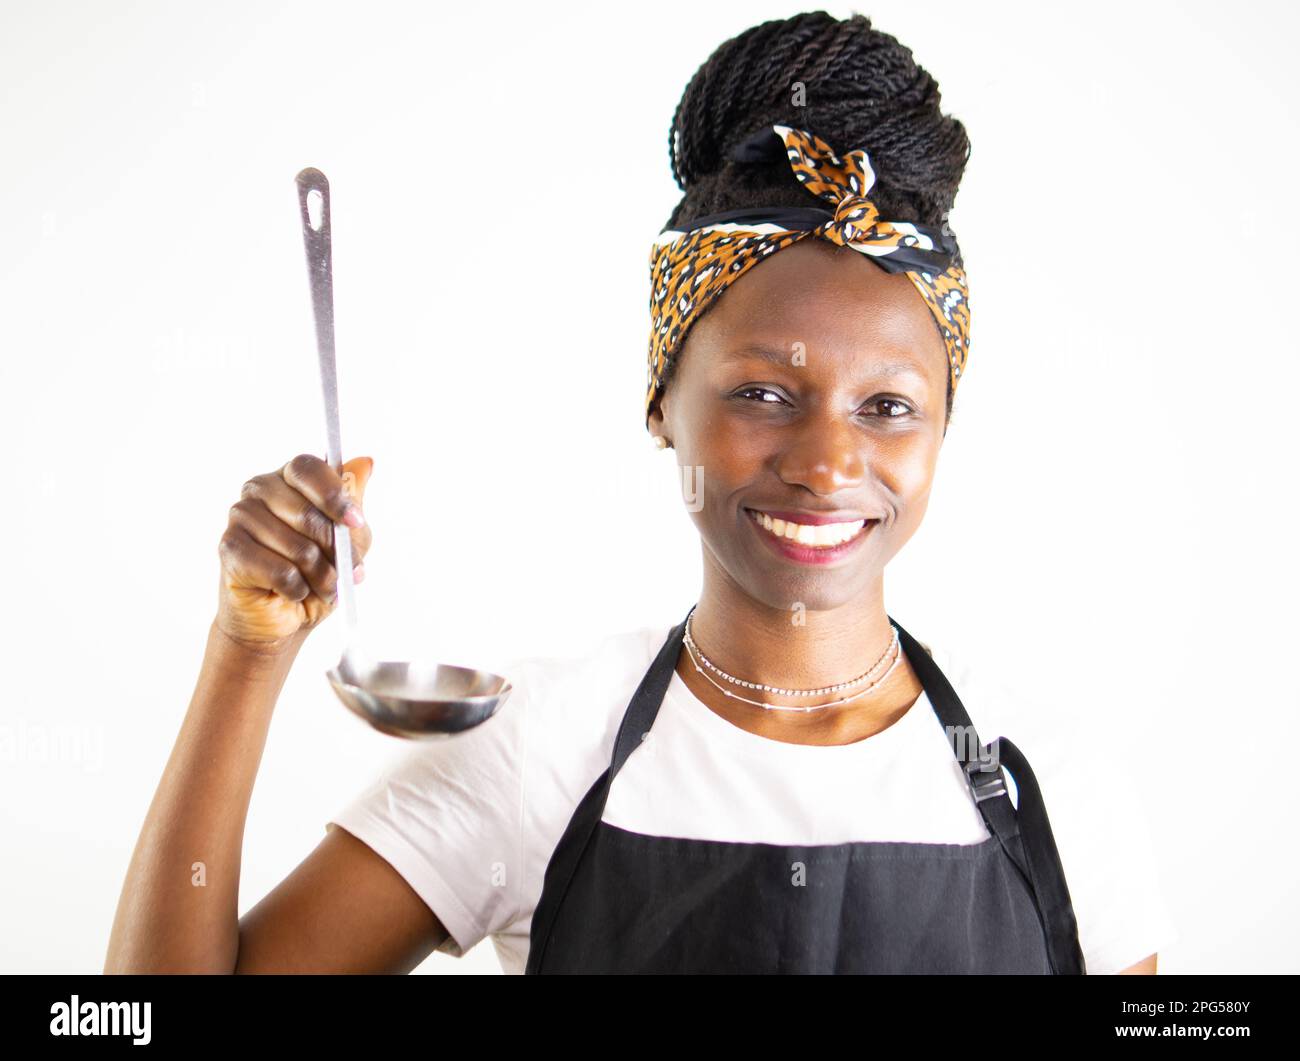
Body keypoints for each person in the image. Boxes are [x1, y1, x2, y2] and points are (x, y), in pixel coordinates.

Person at [104, 11, 1178, 975]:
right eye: (762, 390)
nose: (825, 461)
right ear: (661, 401)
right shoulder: (535, 752)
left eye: (889, 406)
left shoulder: (1052, 785)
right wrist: (245, 656)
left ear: (944, 427)